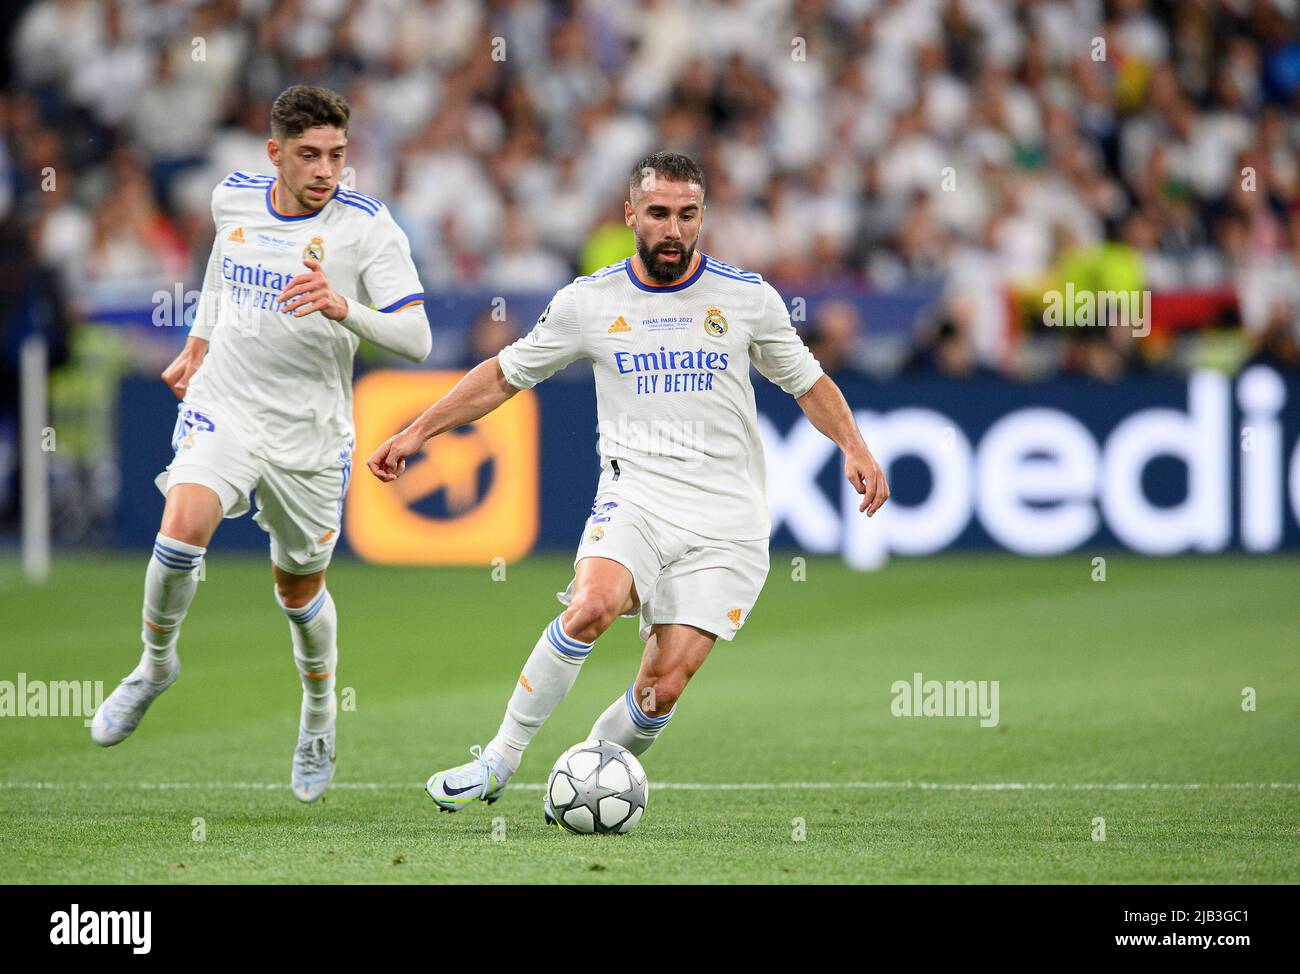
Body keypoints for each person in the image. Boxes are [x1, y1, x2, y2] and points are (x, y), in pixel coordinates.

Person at [367, 151, 888, 812]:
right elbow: (503, 374)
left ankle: (583, 778)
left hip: (728, 519)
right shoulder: (590, 301)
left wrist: (855, 446)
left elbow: (808, 382)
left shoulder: (746, 298)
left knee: (661, 689)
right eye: (659, 213)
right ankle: (499, 759)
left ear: (703, 216)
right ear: (630, 214)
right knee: (591, 607)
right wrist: (417, 431)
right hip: (636, 495)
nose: (673, 229)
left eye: (687, 214)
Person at [90, 85, 432, 803]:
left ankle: (317, 714)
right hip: (229, 406)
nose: (325, 170)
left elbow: (417, 338)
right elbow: (222, 265)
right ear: (275, 153)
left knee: (297, 588)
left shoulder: (368, 228)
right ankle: (155, 665)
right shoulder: (233, 199)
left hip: (310, 434)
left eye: (337, 154)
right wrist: (199, 341)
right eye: (309, 155)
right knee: (181, 529)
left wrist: (346, 308)